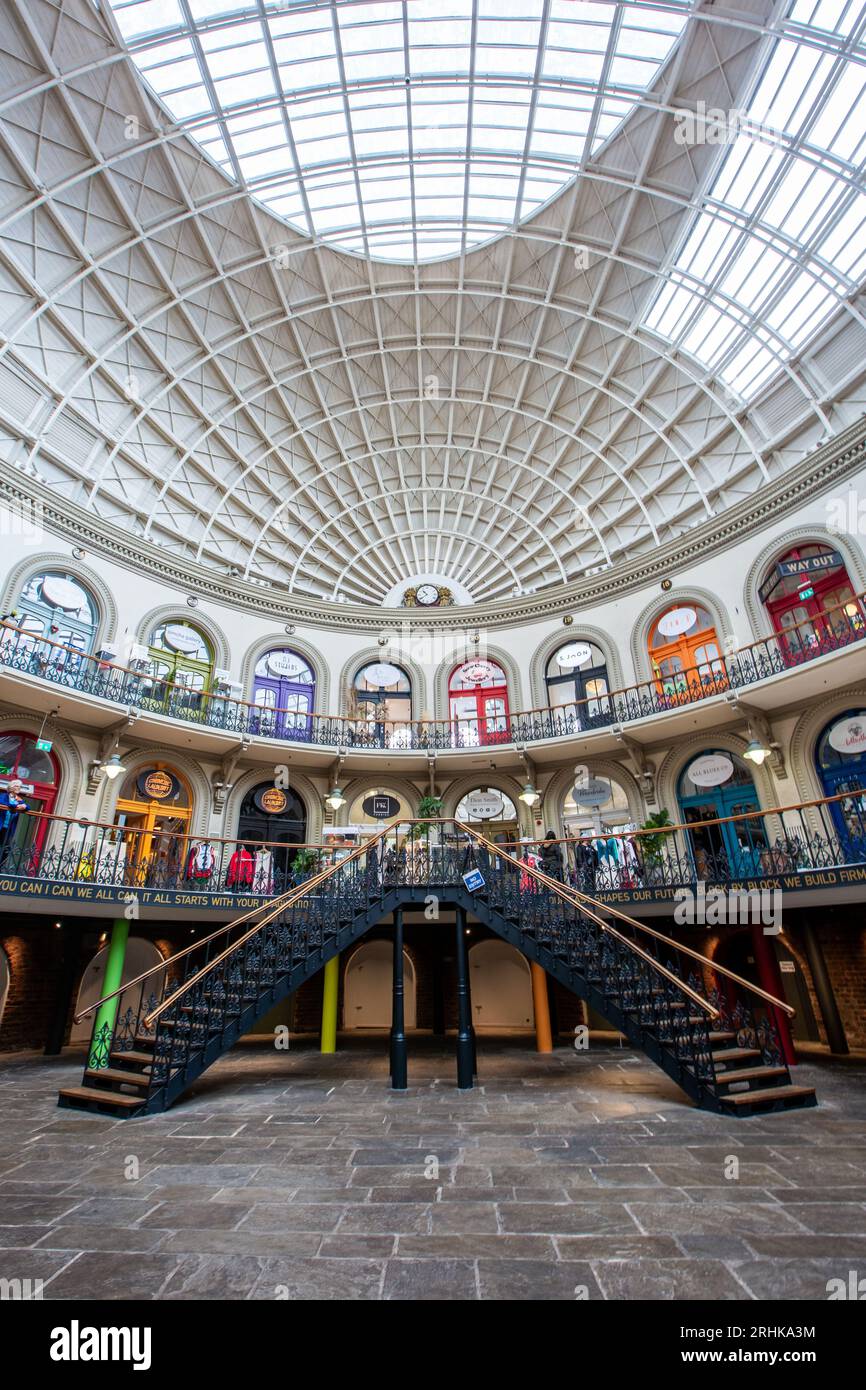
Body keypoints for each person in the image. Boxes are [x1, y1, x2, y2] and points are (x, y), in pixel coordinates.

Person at [0, 778, 28, 869]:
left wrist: (23, 806)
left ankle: (1, 866)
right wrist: (16, 806)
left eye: (19, 787)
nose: (18, 788)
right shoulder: (4, 796)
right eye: (16, 786)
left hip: (9, 828)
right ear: (11, 787)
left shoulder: (19, 799)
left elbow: (27, 807)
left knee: (6, 848)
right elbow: (4, 803)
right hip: (1, 825)